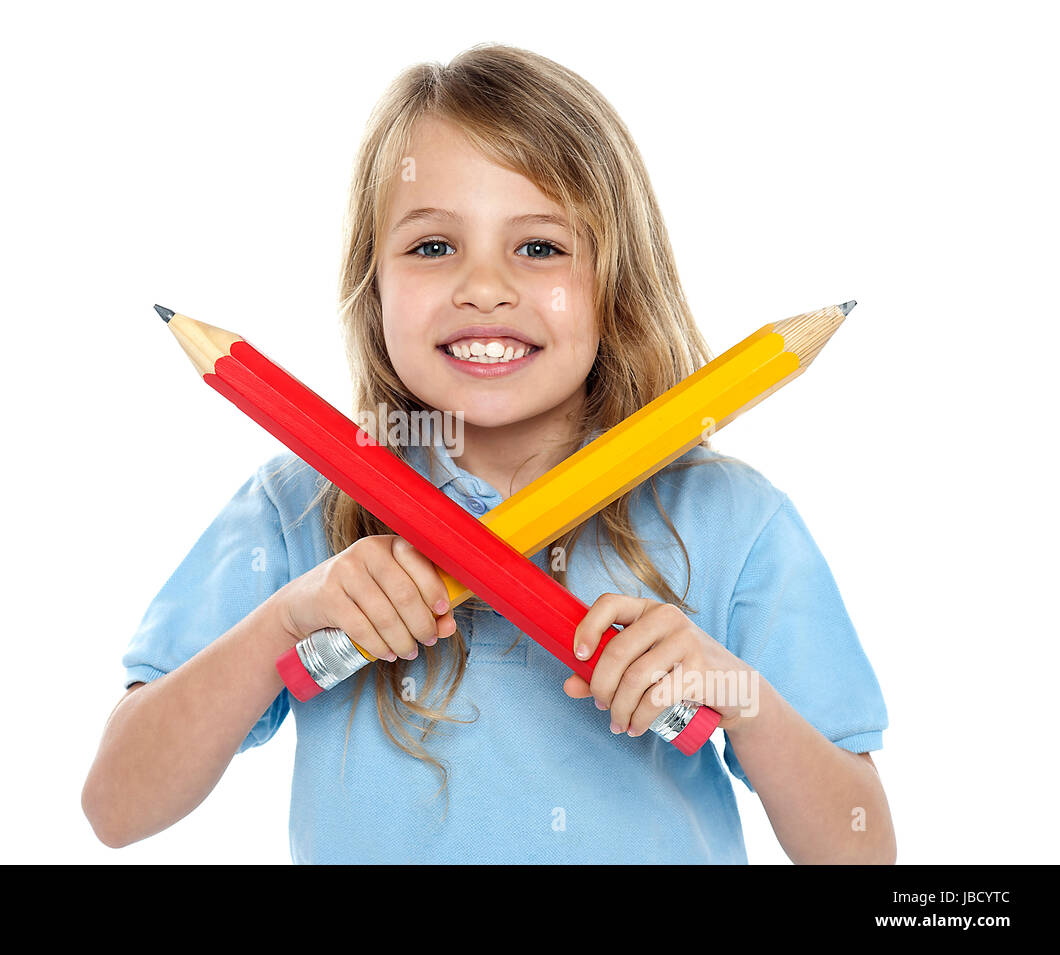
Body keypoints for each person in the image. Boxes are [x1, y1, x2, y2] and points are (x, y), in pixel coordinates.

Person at [81, 43, 894, 864]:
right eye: (433, 247)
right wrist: (282, 626)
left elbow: (861, 850)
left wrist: (735, 693)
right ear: (374, 284)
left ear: (618, 283)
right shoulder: (299, 507)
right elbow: (116, 805)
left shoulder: (732, 519)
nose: (484, 286)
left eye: (539, 247)